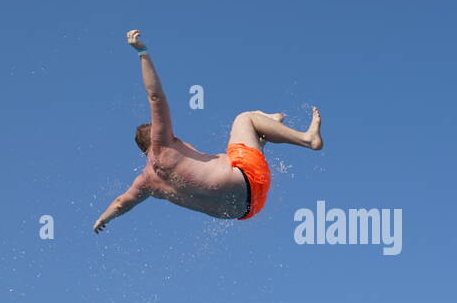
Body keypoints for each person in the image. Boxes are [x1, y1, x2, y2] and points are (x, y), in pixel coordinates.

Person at [93, 30, 323, 232]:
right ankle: (306, 138)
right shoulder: (162, 144)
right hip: (247, 179)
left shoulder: (145, 182)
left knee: (243, 145)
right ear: (153, 137)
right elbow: (155, 97)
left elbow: (121, 203)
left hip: (245, 210)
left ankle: (269, 126)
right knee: (245, 118)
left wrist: (104, 218)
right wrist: (142, 52)